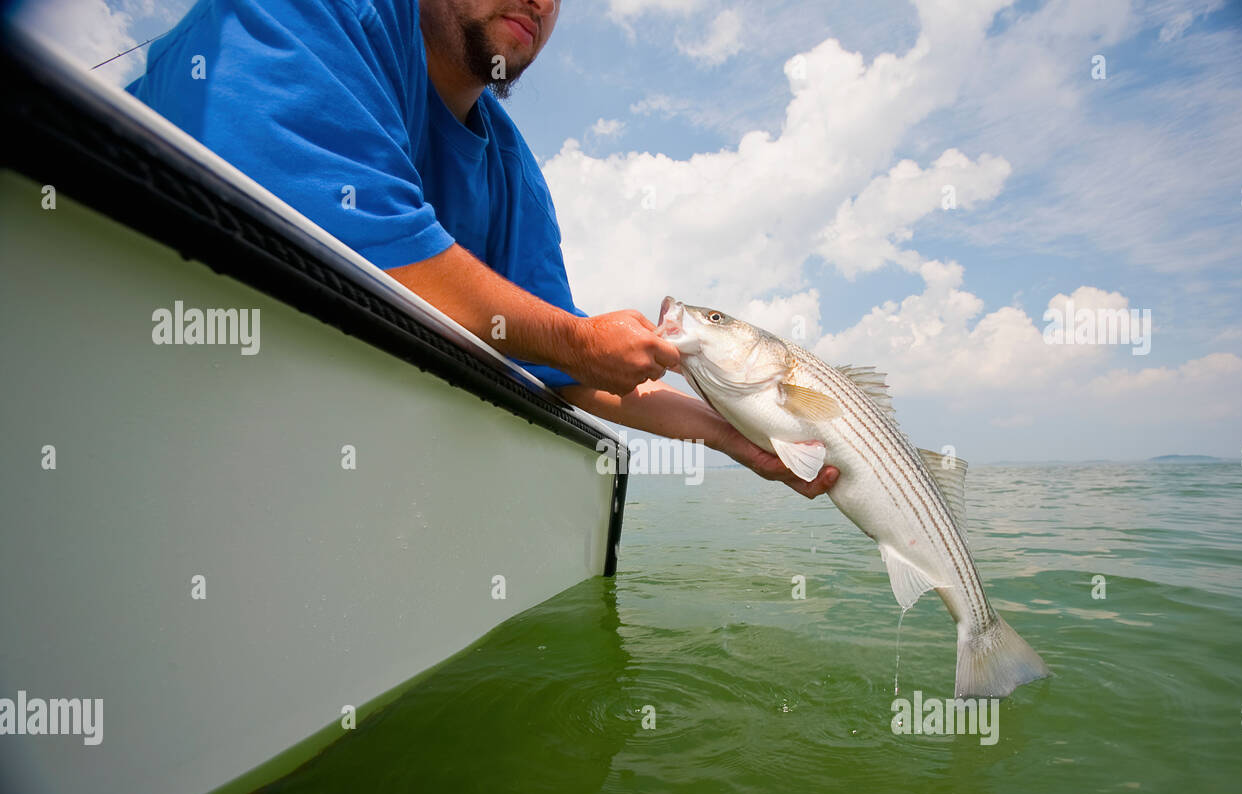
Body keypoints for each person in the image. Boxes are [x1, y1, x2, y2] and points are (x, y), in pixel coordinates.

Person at [127, 0, 838, 498]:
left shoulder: (516, 173)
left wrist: (731, 435)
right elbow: (360, 246)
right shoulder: (325, 10)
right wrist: (576, 340)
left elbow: (565, 369)